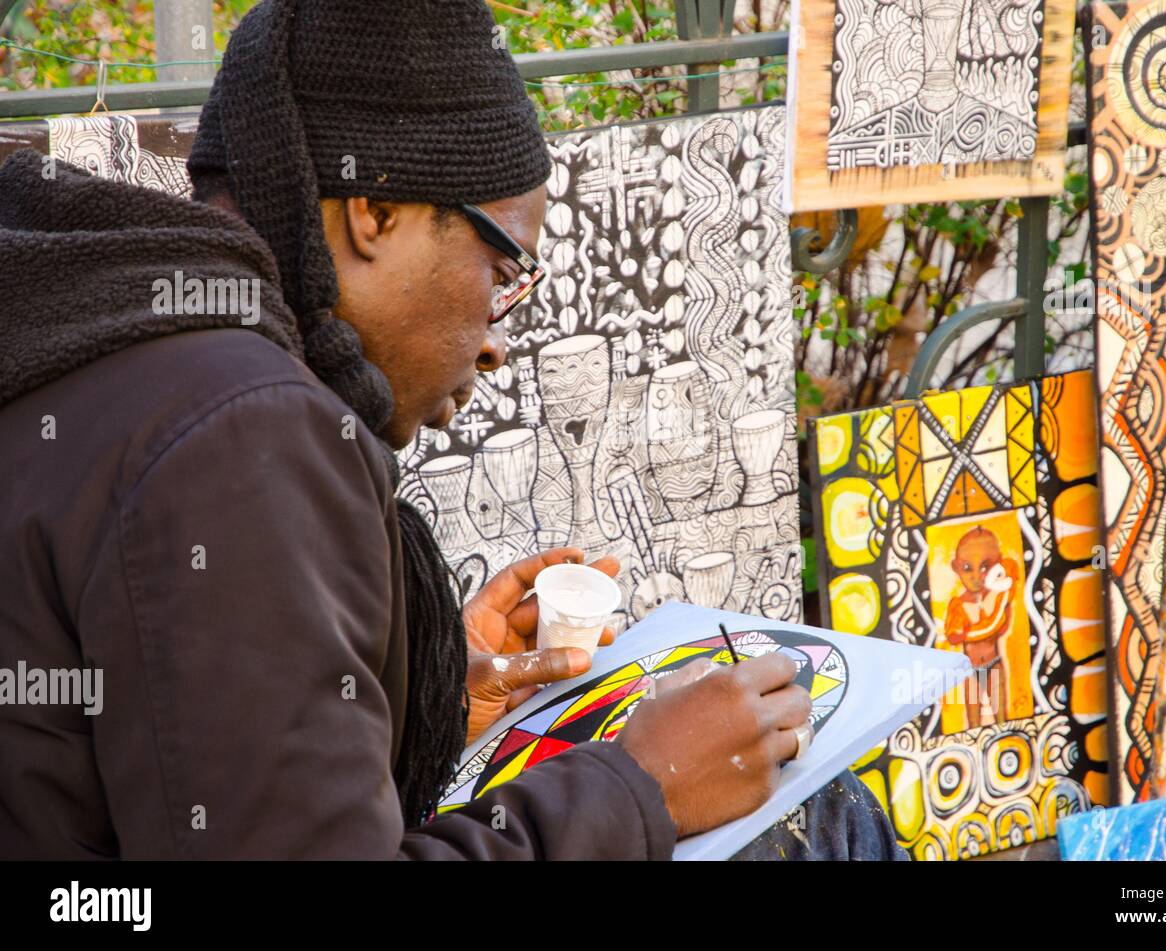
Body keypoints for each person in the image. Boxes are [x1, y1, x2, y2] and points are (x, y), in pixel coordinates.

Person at [0, 0, 903, 860]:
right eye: (502, 265)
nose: (499, 341)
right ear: (374, 213)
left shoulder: (126, 346)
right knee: (819, 816)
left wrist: (416, 694)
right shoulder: (243, 434)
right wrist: (643, 785)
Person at [943, 526, 1017, 726]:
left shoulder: (996, 599)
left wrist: (999, 606)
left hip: (994, 664)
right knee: (974, 724)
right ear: (956, 567)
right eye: (967, 568)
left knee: (1002, 720)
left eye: (985, 567)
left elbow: (1001, 627)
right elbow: (953, 636)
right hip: (970, 670)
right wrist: (964, 629)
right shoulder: (958, 605)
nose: (976, 576)